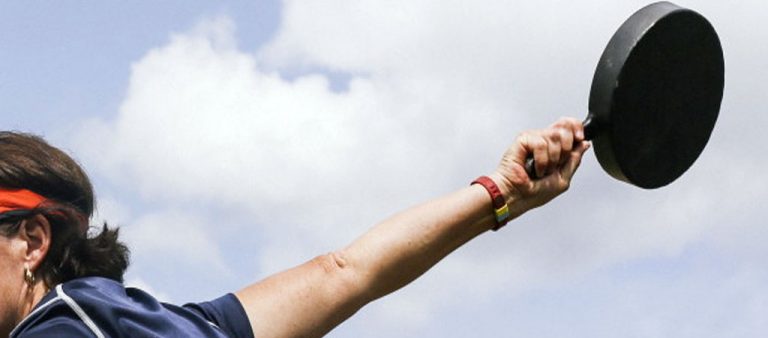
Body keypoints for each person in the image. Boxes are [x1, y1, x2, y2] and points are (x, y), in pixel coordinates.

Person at [0, 117, 588, 338]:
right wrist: (502, 191)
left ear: (33, 241)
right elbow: (345, 272)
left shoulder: (59, 332)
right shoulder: (164, 326)